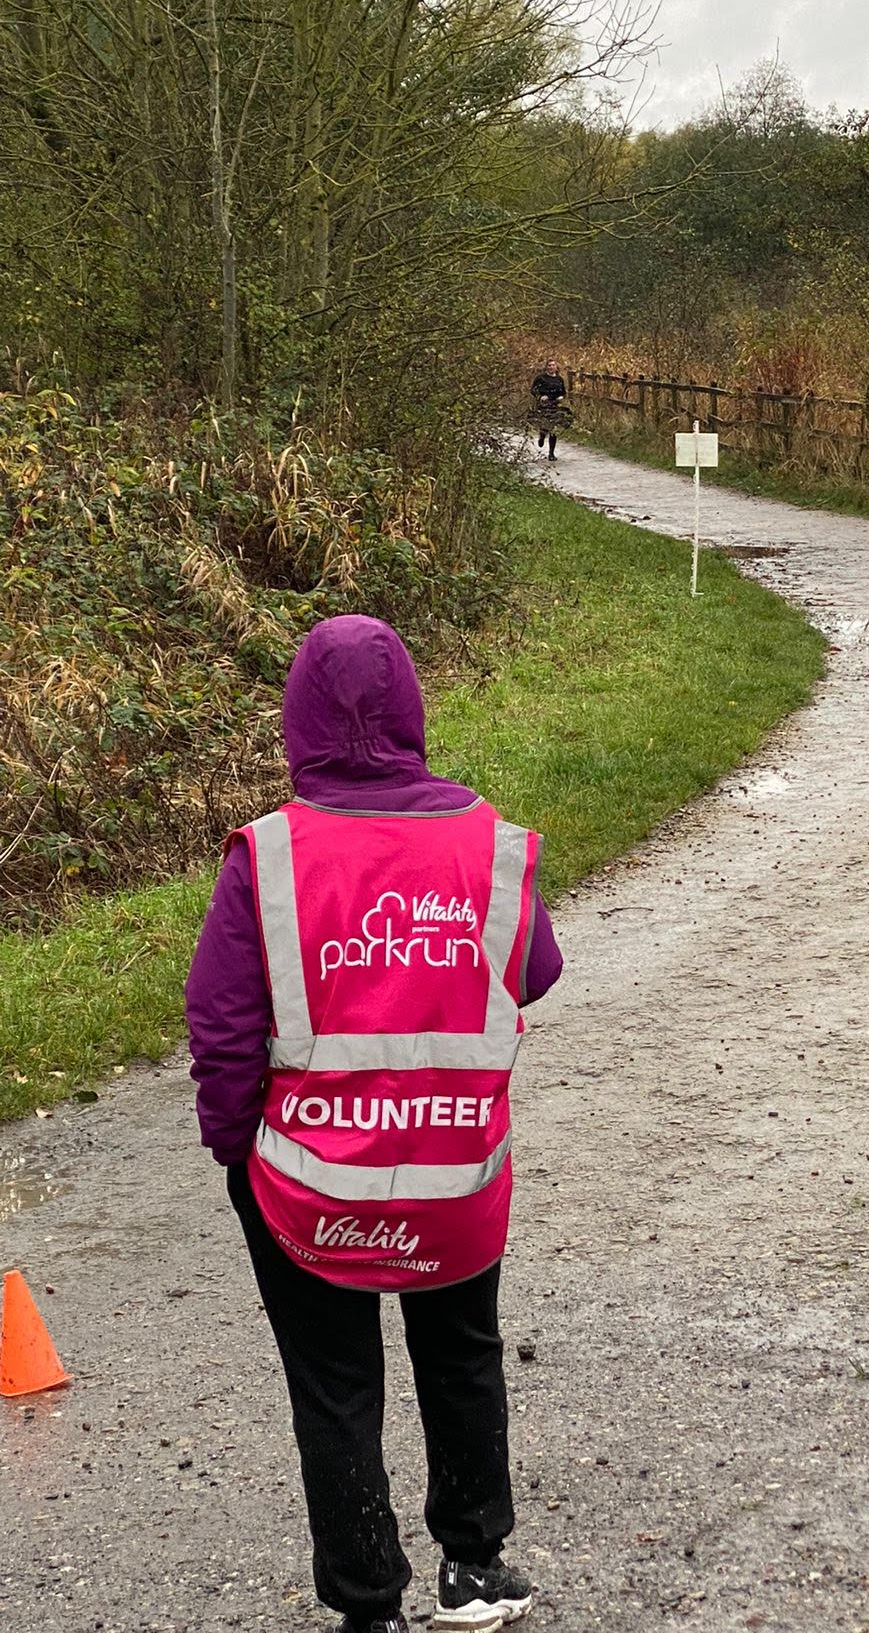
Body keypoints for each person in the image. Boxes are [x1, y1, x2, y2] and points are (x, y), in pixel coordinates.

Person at [186, 615, 561, 1633]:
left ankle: (367, 1605)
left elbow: (221, 1023)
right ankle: (476, 1564)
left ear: (295, 722)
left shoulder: (266, 857)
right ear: (415, 711)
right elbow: (537, 968)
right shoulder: (490, 844)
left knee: (336, 1387)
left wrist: (236, 1150)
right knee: (462, 1354)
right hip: (456, 1177)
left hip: (309, 1188)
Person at [530, 361, 568, 459]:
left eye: (553, 365)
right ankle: (542, 436)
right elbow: (533, 390)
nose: (551, 367)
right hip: (544, 405)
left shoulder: (559, 379)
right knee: (545, 425)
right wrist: (541, 396)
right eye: (549, 365)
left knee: (553, 429)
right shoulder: (540, 378)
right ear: (546, 367)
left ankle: (551, 453)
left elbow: (563, 392)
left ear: (556, 367)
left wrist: (561, 397)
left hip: (555, 405)